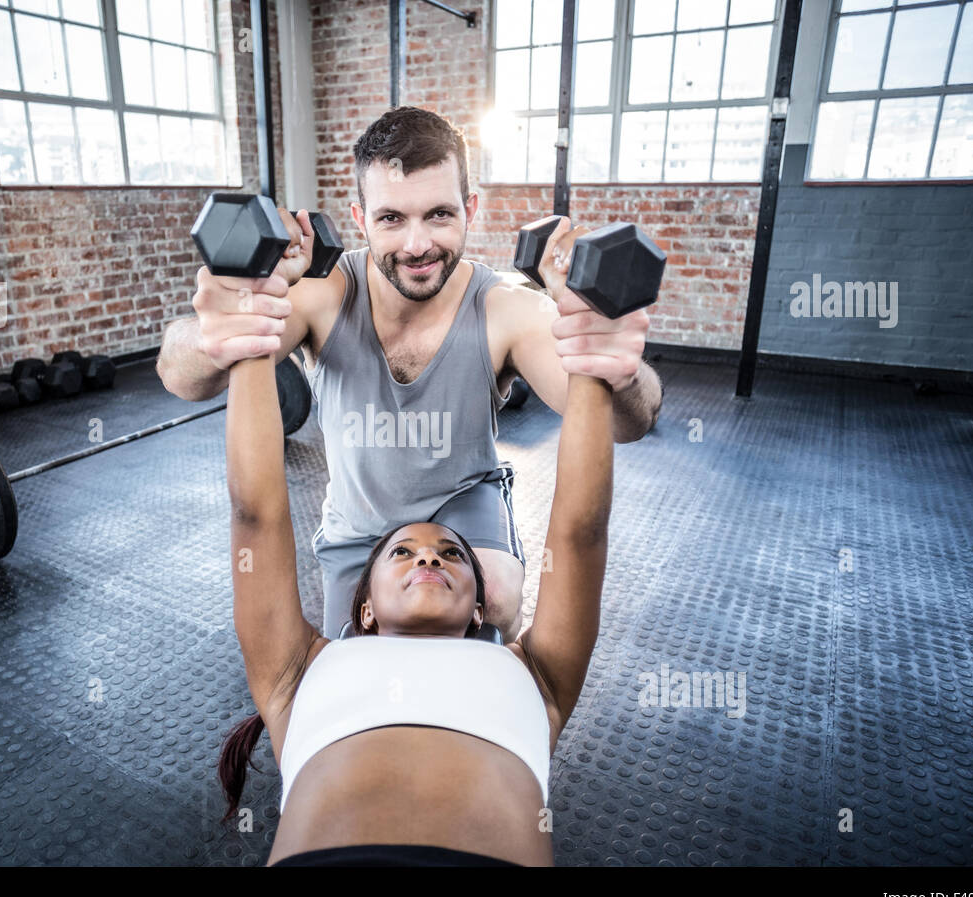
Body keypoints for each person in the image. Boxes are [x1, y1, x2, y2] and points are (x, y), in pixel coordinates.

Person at [159, 106, 660, 643]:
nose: (417, 245)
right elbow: (180, 375)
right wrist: (220, 333)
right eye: (392, 219)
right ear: (360, 218)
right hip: (360, 527)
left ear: (470, 208)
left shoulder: (505, 309)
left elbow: (627, 423)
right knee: (353, 650)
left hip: (464, 508)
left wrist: (618, 369)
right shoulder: (324, 295)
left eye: (439, 215)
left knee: (496, 596)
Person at [221, 221, 615, 866]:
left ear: (482, 608)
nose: (429, 555)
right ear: (363, 605)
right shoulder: (297, 670)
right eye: (402, 553)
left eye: (451, 554)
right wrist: (251, 329)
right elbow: (255, 514)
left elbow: (580, 534)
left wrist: (594, 360)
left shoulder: (535, 670)